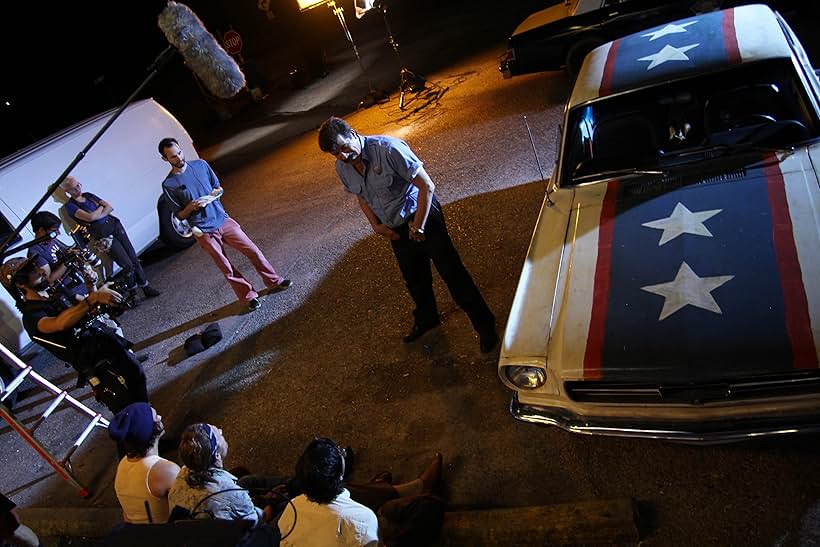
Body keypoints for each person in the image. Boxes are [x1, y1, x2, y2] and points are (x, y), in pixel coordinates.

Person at [317, 117, 498, 352]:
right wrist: (376, 225)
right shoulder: (343, 168)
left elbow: (426, 186)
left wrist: (420, 225)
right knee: (415, 281)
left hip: (423, 218)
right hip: (396, 229)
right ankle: (427, 319)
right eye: (336, 154)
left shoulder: (389, 149)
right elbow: (361, 197)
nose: (343, 156)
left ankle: (485, 327)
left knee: (454, 276)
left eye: (344, 147)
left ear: (353, 133)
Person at [157, 138, 292, 311]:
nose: (179, 158)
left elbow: (218, 188)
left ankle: (274, 281)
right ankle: (248, 296)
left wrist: (215, 193)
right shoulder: (169, 184)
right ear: (165, 159)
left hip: (223, 220)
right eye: (173, 157)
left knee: (252, 250)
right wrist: (190, 207)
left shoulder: (200, 165)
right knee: (226, 267)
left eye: (179, 153)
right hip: (203, 231)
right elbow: (179, 215)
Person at [11, 256, 148, 413]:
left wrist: (92, 286)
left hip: (109, 345)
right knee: (127, 405)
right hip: (96, 364)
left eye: (37, 267)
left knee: (138, 384)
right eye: (33, 271)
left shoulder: (54, 294)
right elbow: (59, 323)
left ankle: (153, 430)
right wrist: (92, 299)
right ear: (21, 283)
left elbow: (89, 305)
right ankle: (143, 433)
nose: (41, 271)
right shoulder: (31, 316)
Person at [278, 437, 443, 546]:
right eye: (341, 452)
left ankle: (387, 493)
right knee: (429, 504)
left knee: (383, 506)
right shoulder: (361, 521)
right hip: (364, 531)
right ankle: (401, 494)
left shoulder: (293, 507)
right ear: (341, 471)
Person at [60, 176, 161, 299]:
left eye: (78, 185)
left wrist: (98, 212)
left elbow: (109, 207)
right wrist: (101, 208)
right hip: (103, 236)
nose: (78, 189)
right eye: (74, 189)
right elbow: (90, 218)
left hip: (114, 225)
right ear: (67, 191)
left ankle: (145, 286)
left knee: (133, 257)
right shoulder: (70, 206)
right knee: (126, 263)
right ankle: (132, 291)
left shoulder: (88, 195)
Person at [108, 402, 180, 524]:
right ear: (150, 429)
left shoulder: (123, 464)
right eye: (156, 416)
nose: (160, 417)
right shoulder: (166, 471)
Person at [27, 211, 95, 303]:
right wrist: (68, 260)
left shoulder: (52, 240)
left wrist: (80, 242)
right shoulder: (35, 251)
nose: (58, 233)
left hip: (79, 281)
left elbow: (67, 251)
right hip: (70, 291)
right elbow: (49, 279)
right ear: (41, 230)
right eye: (54, 230)